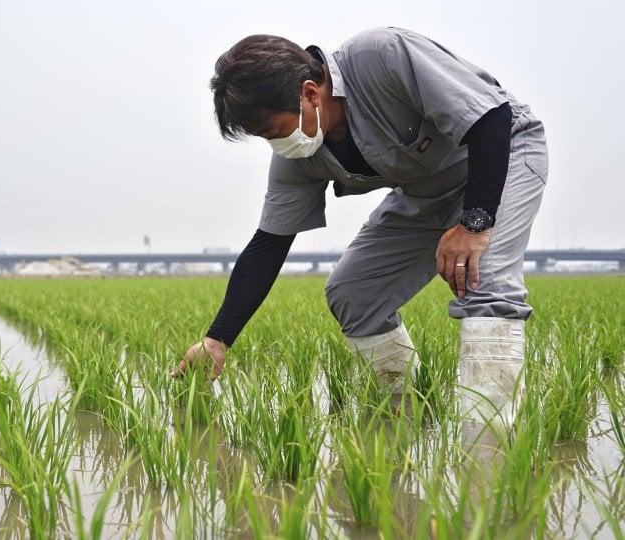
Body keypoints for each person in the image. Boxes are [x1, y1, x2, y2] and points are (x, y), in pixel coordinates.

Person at [171, 28, 547, 421]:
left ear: (311, 94)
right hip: (427, 189)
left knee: (480, 280)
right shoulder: (298, 158)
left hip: (504, 152)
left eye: (273, 131)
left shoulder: (383, 56)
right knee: (354, 292)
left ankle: (491, 450)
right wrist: (217, 340)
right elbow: (269, 245)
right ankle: (412, 417)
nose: (276, 144)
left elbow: (491, 117)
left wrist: (474, 223)